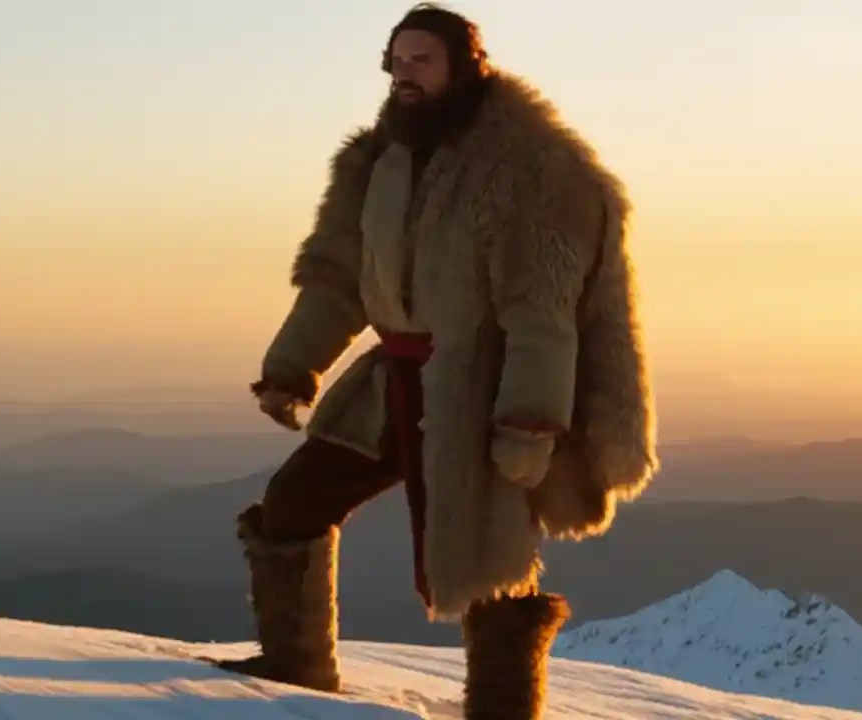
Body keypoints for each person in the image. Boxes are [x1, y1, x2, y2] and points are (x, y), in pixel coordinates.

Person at [214, 4, 658, 718]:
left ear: (465, 66)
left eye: (422, 59)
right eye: (396, 59)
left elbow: (540, 312)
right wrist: (293, 367)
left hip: (485, 390)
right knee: (296, 501)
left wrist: (530, 425)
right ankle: (294, 671)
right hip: (394, 378)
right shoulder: (376, 162)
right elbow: (337, 275)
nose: (404, 73)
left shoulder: (530, 169)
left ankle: (504, 709)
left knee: (493, 560)